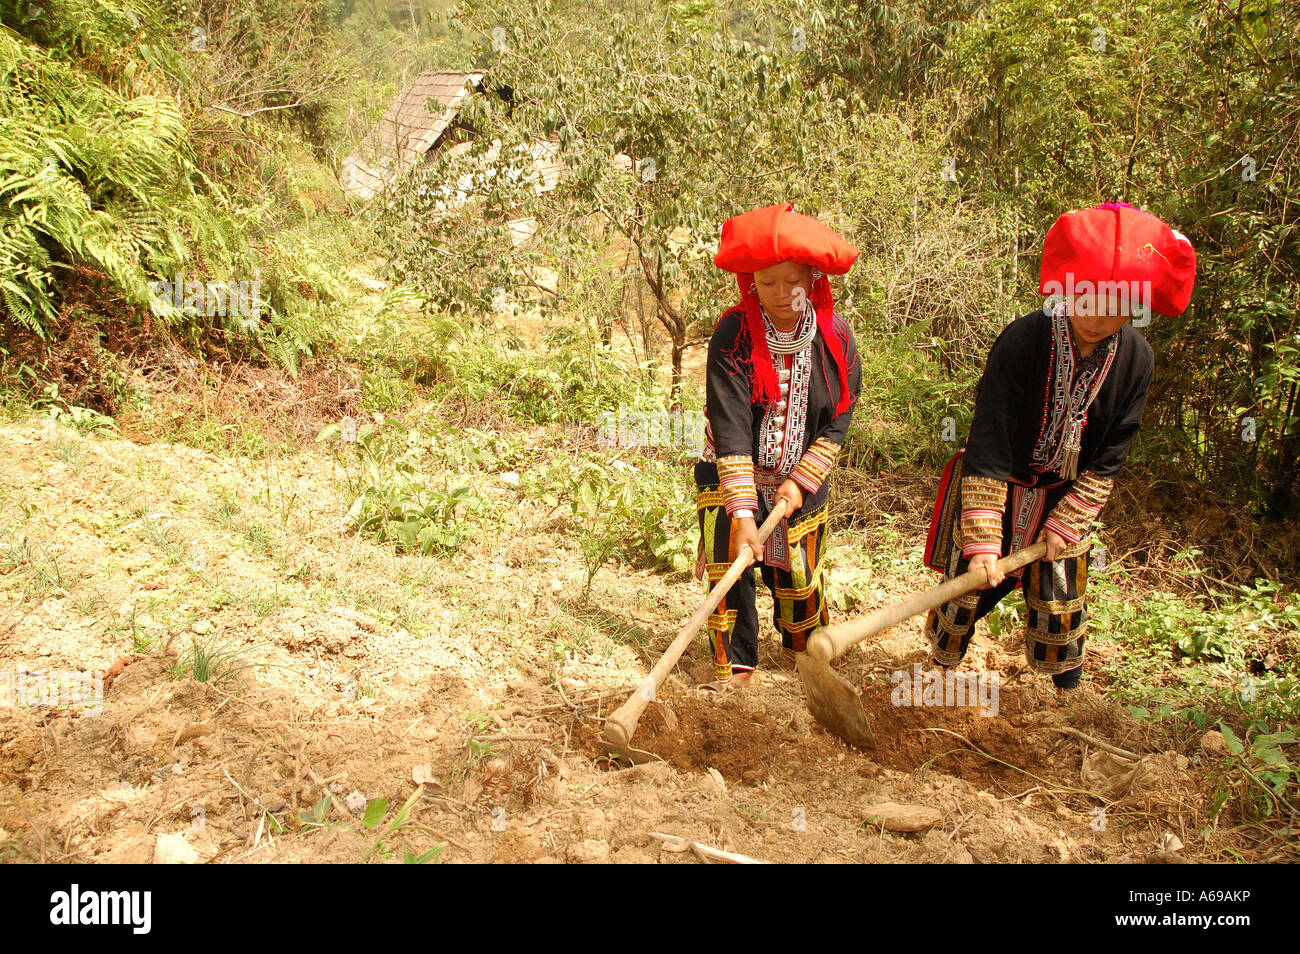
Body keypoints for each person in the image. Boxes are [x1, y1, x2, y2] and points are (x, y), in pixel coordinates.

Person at [923, 202, 1197, 688]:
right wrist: (985, 540)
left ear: (1136, 304)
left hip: (1068, 495)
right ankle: (938, 669)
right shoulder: (1025, 340)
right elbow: (989, 436)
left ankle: (1069, 696)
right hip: (999, 485)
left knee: (1061, 599)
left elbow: (1111, 454)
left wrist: (1066, 523)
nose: (1096, 316)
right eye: (1086, 299)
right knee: (966, 590)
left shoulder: (1137, 361)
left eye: (1115, 305)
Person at [694, 203, 862, 688]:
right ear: (751, 283)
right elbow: (729, 426)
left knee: (799, 575)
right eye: (767, 283)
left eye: (792, 281)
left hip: (802, 474)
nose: (781, 294)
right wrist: (744, 513)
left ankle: (808, 656)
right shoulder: (733, 335)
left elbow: (838, 420)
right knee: (731, 572)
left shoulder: (835, 338)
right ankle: (737, 670)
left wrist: (799, 482)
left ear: (812, 279)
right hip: (730, 471)